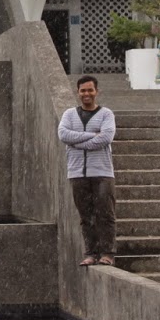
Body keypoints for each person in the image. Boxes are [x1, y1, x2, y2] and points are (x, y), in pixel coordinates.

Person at [58, 74, 117, 266]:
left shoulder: (106, 114)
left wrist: (78, 142)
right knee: (86, 215)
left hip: (102, 172)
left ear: (96, 92)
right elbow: (63, 134)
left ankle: (107, 253)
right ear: (78, 92)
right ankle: (91, 253)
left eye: (90, 90)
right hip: (77, 173)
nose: (86, 94)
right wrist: (91, 135)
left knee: (105, 214)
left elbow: (106, 137)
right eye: (83, 90)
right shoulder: (69, 114)